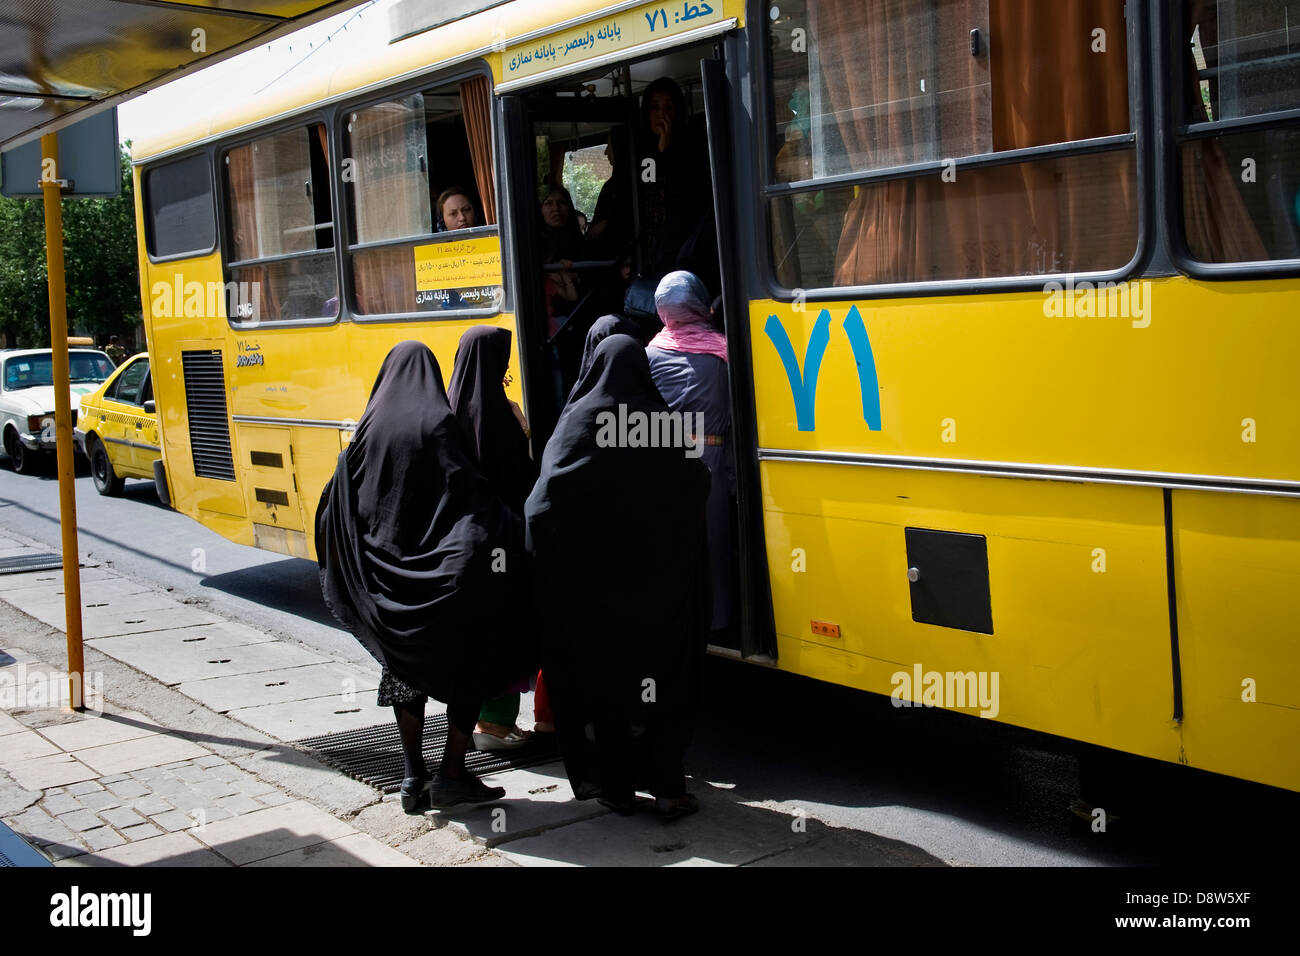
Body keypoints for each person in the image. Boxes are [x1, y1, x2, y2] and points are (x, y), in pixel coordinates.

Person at [316, 341, 533, 811]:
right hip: (439, 576)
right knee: (468, 669)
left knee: (402, 675)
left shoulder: (369, 428)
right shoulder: (439, 424)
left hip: (386, 578)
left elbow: (338, 496)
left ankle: (413, 777)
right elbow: (468, 492)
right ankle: (452, 772)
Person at [525, 334, 711, 820]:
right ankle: (669, 788)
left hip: (593, 597)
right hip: (657, 593)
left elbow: (540, 507)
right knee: (659, 684)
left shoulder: (578, 422)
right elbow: (699, 484)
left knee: (607, 687)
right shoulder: (664, 424)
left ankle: (618, 789)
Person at [447, 325, 541, 749]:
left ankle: (482, 723)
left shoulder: (446, 414)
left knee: (475, 636)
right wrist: (524, 433)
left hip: (464, 545)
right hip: (505, 540)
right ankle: (496, 724)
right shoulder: (503, 414)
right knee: (506, 631)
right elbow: (520, 478)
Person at [645, 271, 736, 637]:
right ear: (700, 303)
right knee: (715, 544)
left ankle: (680, 621)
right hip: (711, 460)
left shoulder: (649, 353)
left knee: (676, 544)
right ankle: (718, 620)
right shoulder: (724, 352)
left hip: (665, 463)